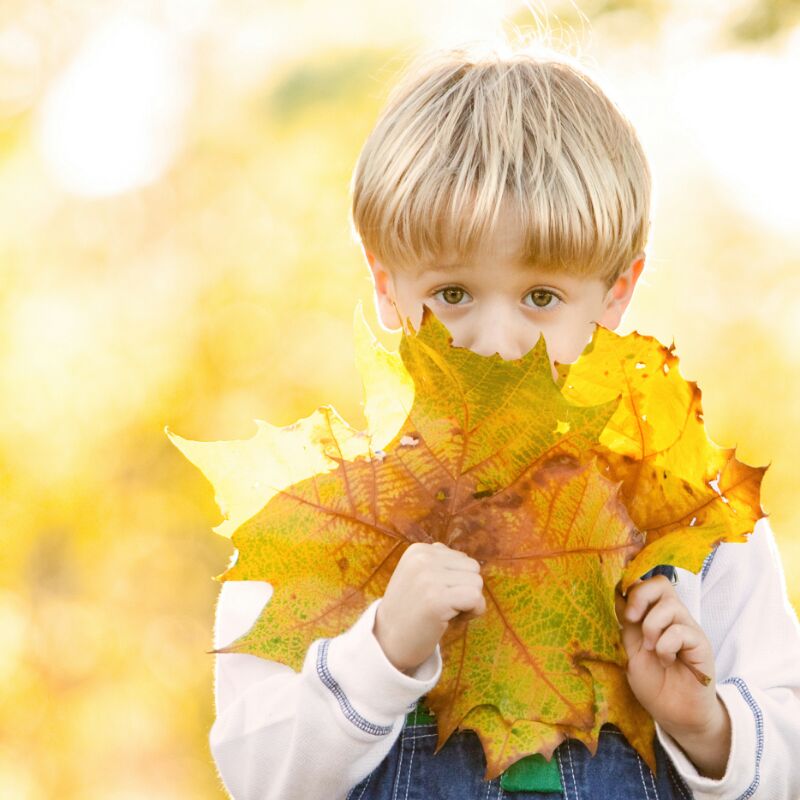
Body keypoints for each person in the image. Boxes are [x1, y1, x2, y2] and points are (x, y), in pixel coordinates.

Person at [208, 41, 800, 800]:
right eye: (453, 293)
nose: (497, 341)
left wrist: (708, 727)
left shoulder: (689, 525)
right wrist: (380, 657)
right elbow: (260, 780)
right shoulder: (319, 531)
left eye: (541, 298)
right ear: (385, 284)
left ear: (617, 293)